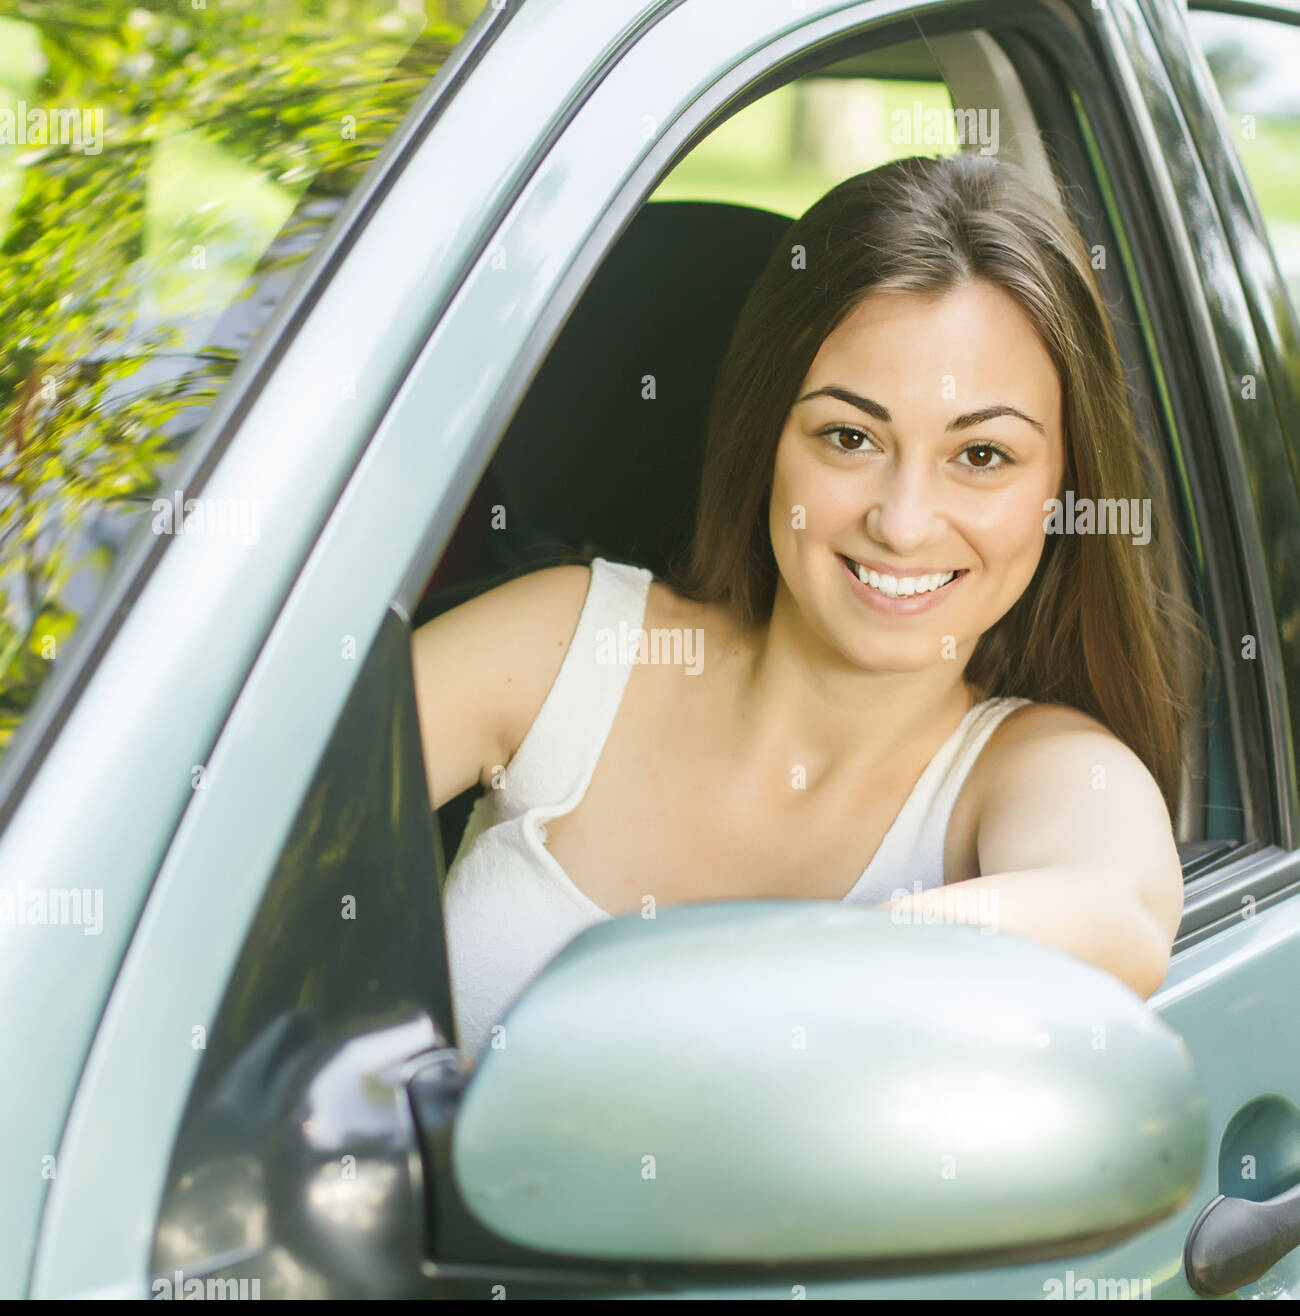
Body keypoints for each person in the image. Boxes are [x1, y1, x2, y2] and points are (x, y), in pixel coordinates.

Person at [411, 153, 1207, 1062]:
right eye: (849, 436)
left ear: (1064, 488)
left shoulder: (1040, 771)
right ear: (769, 440)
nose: (903, 524)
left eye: (982, 456)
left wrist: (781, 984)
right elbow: (251, 792)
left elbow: (1117, 914)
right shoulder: (561, 642)